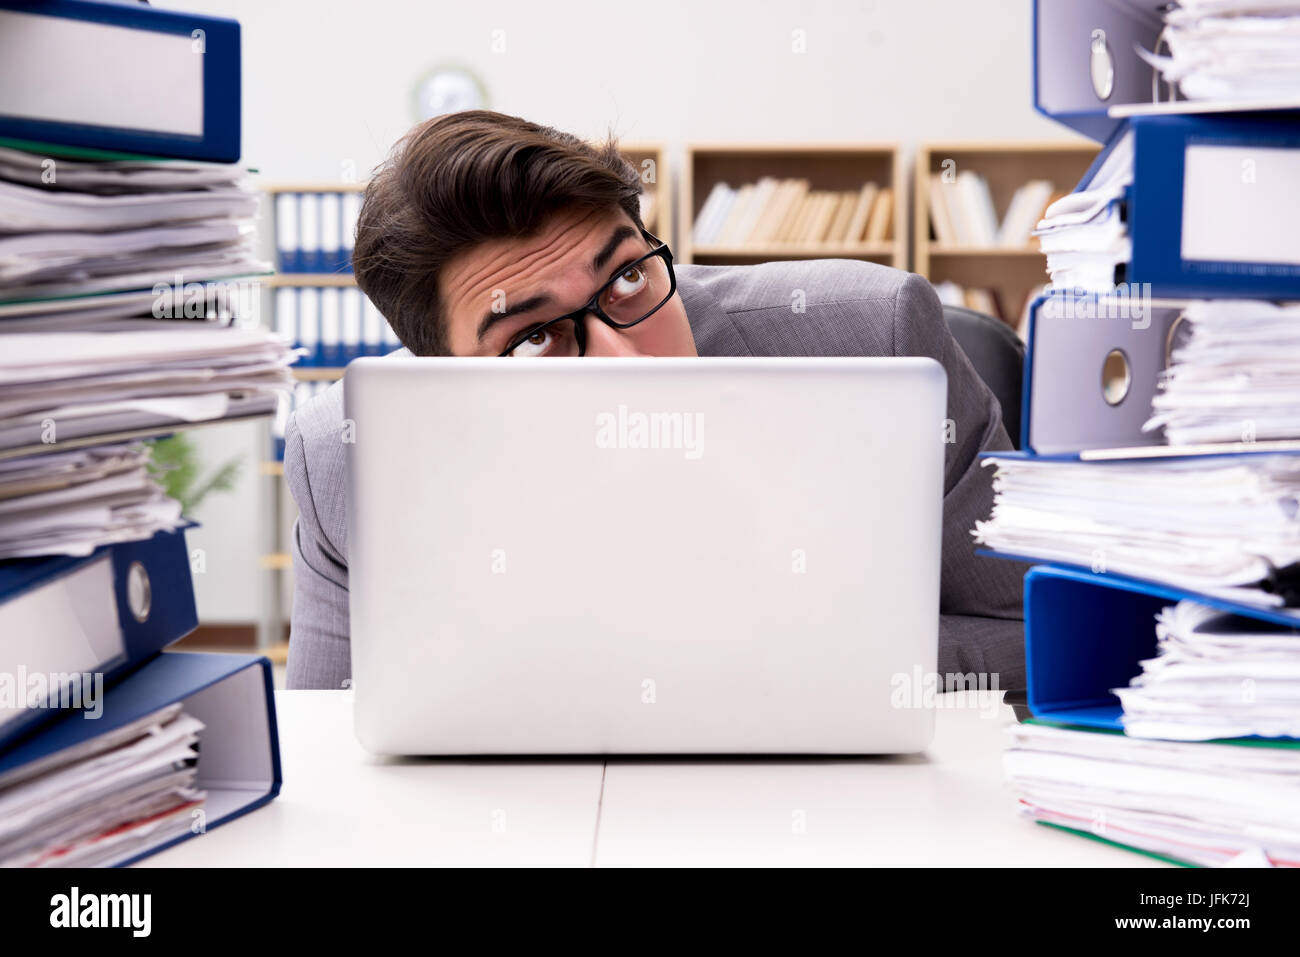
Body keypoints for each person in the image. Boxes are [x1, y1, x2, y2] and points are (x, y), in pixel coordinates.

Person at [284, 110, 1028, 697]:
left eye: (625, 279)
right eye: (537, 336)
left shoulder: (880, 336)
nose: (625, 360)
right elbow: (330, 734)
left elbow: (1036, 635)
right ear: (440, 383)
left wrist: (760, 661)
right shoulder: (344, 461)